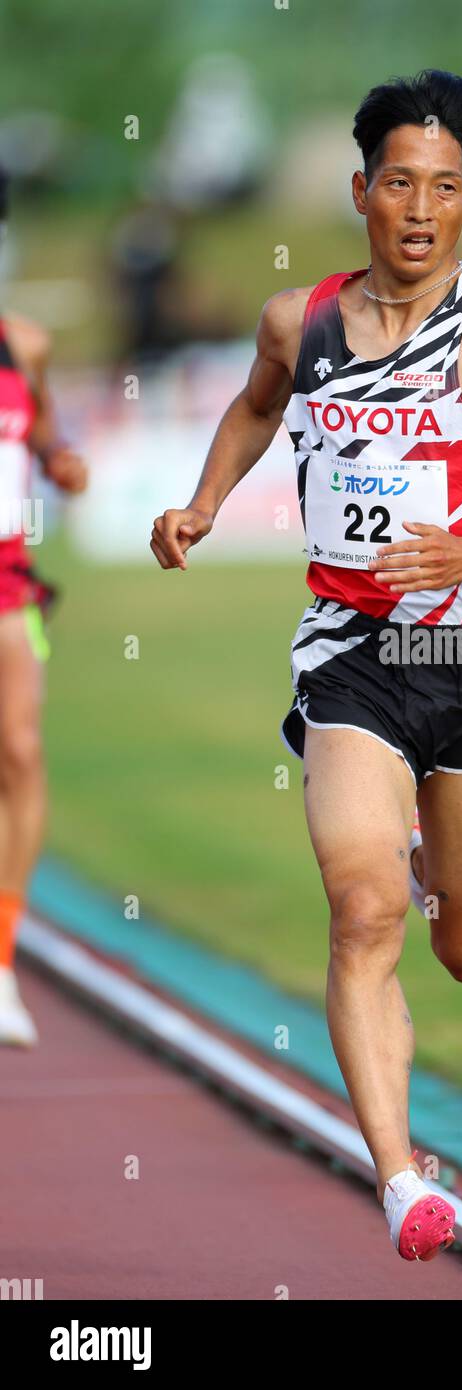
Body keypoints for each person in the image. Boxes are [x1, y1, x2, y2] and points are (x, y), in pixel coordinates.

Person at [151, 70, 462, 1262]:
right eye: (397, 182)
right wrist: (203, 502)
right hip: (351, 656)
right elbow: (258, 409)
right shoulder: (294, 322)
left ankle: (427, 850)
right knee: (361, 914)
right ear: (359, 189)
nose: (417, 207)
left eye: (443, 187)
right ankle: (403, 1177)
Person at [0, 165, 88, 1045]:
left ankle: (0, 964)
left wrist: (61, 462)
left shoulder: (22, 343)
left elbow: (45, 431)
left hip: (7, 589)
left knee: (20, 752)